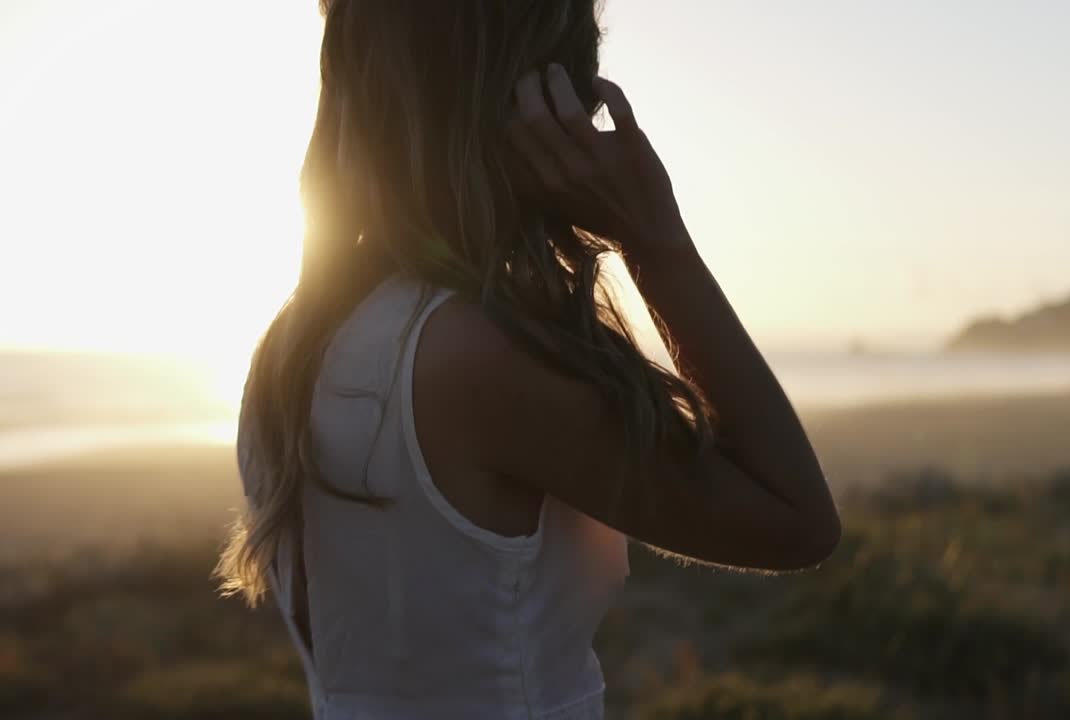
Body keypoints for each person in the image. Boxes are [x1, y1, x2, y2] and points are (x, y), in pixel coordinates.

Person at [216, 1, 840, 717]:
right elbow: (796, 520)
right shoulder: (475, 358)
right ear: (527, 99)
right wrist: (657, 241)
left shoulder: (291, 349)